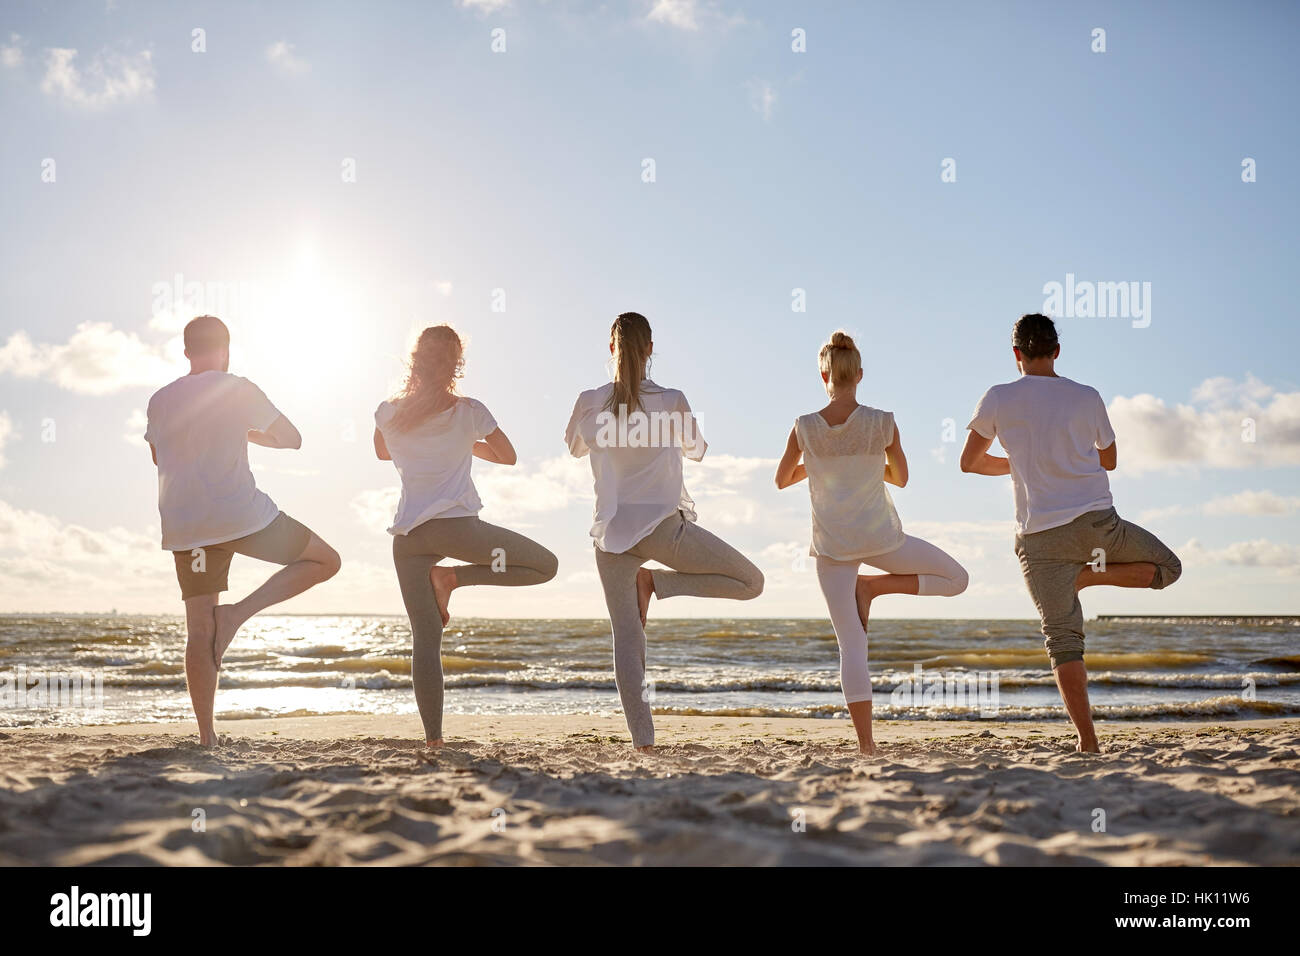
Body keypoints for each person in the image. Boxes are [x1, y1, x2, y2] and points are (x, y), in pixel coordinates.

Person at [960, 313, 1181, 753]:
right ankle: (1091, 575)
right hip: (1098, 527)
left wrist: (1021, 464)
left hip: (1040, 540)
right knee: (1168, 568)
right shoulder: (1087, 396)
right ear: (1057, 351)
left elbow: (970, 462)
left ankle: (1089, 741)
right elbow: (1110, 459)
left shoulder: (998, 397)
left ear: (1017, 354)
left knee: (1063, 642)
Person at [566, 312, 763, 752]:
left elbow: (574, 446)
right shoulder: (672, 400)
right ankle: (657, 584)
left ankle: (644, 746)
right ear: (650, 348)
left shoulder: (590, 401)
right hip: (664, 529)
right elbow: (697, 451)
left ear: (611, 348)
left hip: (612, 535)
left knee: (628, 644)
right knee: (752, 583)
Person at [145, 315, 341, 747]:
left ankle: (207, 738)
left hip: (186, 526)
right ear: (226, 349)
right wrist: (246, 432)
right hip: (241, 517)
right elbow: (292, 438)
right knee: (327, 560)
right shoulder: (239, 388)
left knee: (198, 631)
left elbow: (160, 459)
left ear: (185, 352)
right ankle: (237, 614)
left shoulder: (159, 400)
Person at [775, 330, 968, 756]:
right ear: (859, 374)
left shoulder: (804, 427)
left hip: (832, 550)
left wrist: (821, 463)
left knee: (852, 648)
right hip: (882, 541)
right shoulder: (882, 422)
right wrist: (864, 466)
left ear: (822, 373)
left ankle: (866, 746)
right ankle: (876, 587)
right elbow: (900, 477)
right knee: (957, 580)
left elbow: (782, 479)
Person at [375, 325, 557, 748]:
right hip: (458, 530)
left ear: (414, 361)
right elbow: (507, 457)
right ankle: (454, 578)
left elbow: (383, 452)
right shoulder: (470, 412)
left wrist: (436, 441)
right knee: (545, 566)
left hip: (408, 538)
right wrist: (465, 442)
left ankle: (434, 741)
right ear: (457, 364)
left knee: (426, 639)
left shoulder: (387, 411)